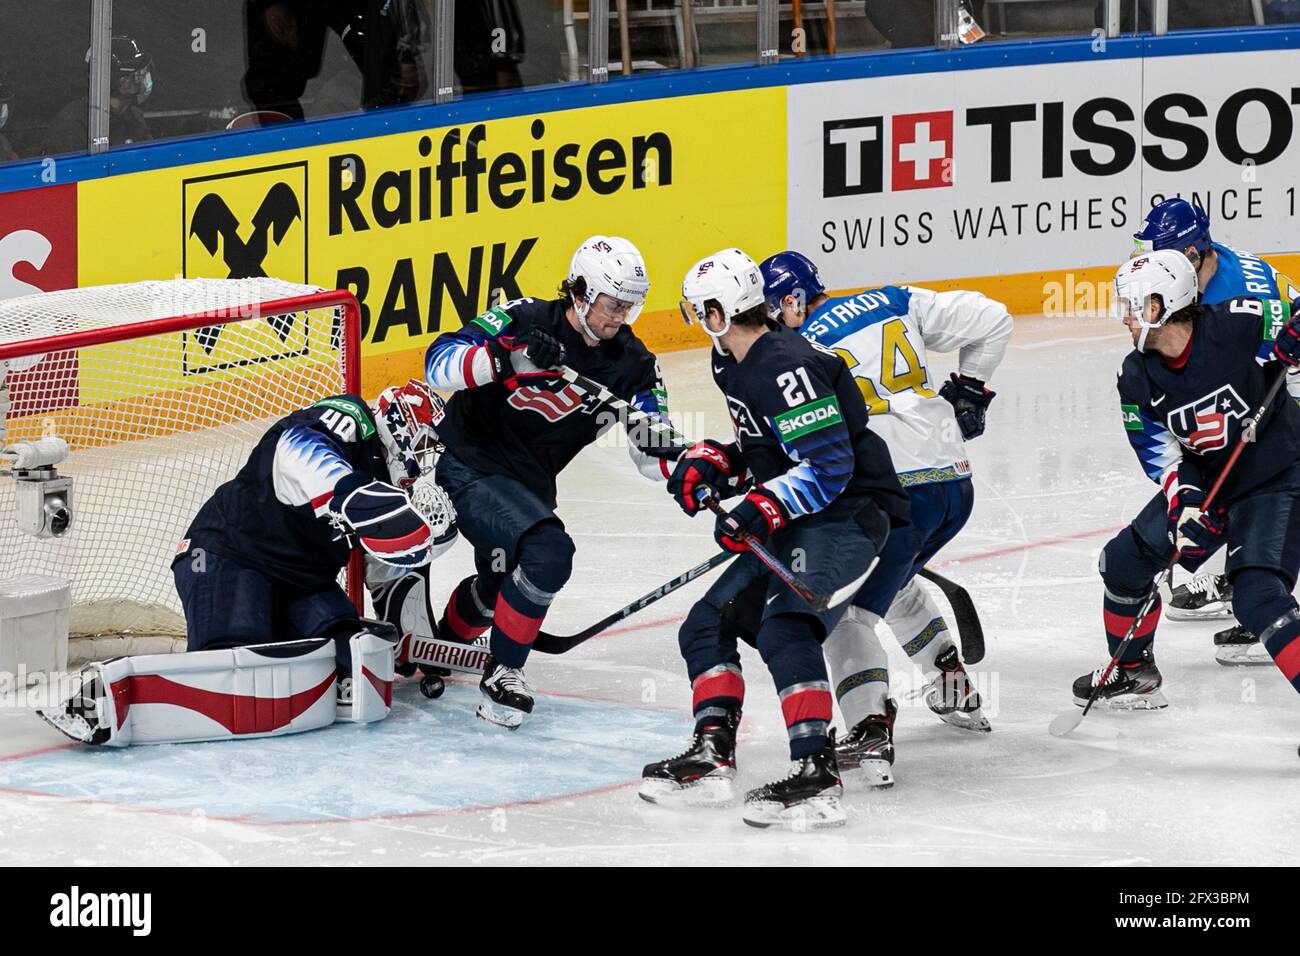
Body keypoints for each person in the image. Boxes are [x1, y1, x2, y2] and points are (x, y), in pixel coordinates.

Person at [640, 248, 909, 829]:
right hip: (805, 516)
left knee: (787, 625)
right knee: (705, 624)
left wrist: (760, 508)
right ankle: (712, 759)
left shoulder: (784, 363)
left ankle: (816, 773)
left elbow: (829, 467)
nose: (695, 318)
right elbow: (774, 450)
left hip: (849, 514)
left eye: (699, 309)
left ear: (721, 310)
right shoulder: (731, 363)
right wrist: (718, 465)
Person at [36, 381, 457, 747]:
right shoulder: (350, 420)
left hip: (302, 581)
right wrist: (349, 492)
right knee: (234, 661)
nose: (426, 455)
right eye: (423, 442)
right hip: (229, 555)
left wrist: (418, 642)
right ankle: (96, 697)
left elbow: (389, 576)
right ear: (398, 427)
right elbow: (294, 449)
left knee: (349, 646)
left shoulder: (388, 484)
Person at [759, 250, 1011, 786]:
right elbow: (994, 318)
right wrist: (969, 392)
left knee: (845, 614)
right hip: (953, 483)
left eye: (768, 309)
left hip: (893, 495)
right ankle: (951, 686)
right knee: (892, 584)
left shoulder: (798, 348)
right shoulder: (892, 300)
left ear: (791, 302)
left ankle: (870, 729)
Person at [424, 235, 675, 729]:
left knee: (500, 585)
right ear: (580, 292)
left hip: (528, 487)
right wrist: (503, 357)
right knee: (548, 554)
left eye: (629, 306)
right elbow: (439, 362)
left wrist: (693, 464)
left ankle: (440, 650)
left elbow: (654, 441)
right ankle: (503, 673)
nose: (619, 316)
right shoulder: (525, 318)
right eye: (612, 304)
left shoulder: (634, 366)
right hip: (468, 466)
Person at [1072, 250, 1300, 711]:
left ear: (1159, 305)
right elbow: (1163, 455)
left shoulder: (1239, 320)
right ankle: (1133, 673)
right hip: (1213, 483)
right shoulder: (1135, 376)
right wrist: (1187, 505)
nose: (1125, 319)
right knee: (1123, 562)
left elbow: (1294, 312)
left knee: (1257, 597)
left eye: (1132, 307)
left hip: (1279, 476)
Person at [1135, 198, 1300, 664]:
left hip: (1290, 387)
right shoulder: (1196, 272)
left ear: (1190, 253)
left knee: (1266, 478)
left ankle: (1260, 597)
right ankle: (1247, 583)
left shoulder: (1233, 293)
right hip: (1274, 381)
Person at [44, 36, 153, 155]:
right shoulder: (73, 125)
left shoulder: (133, 115)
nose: (146, 78)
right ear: (122, 81)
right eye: (140, 74)